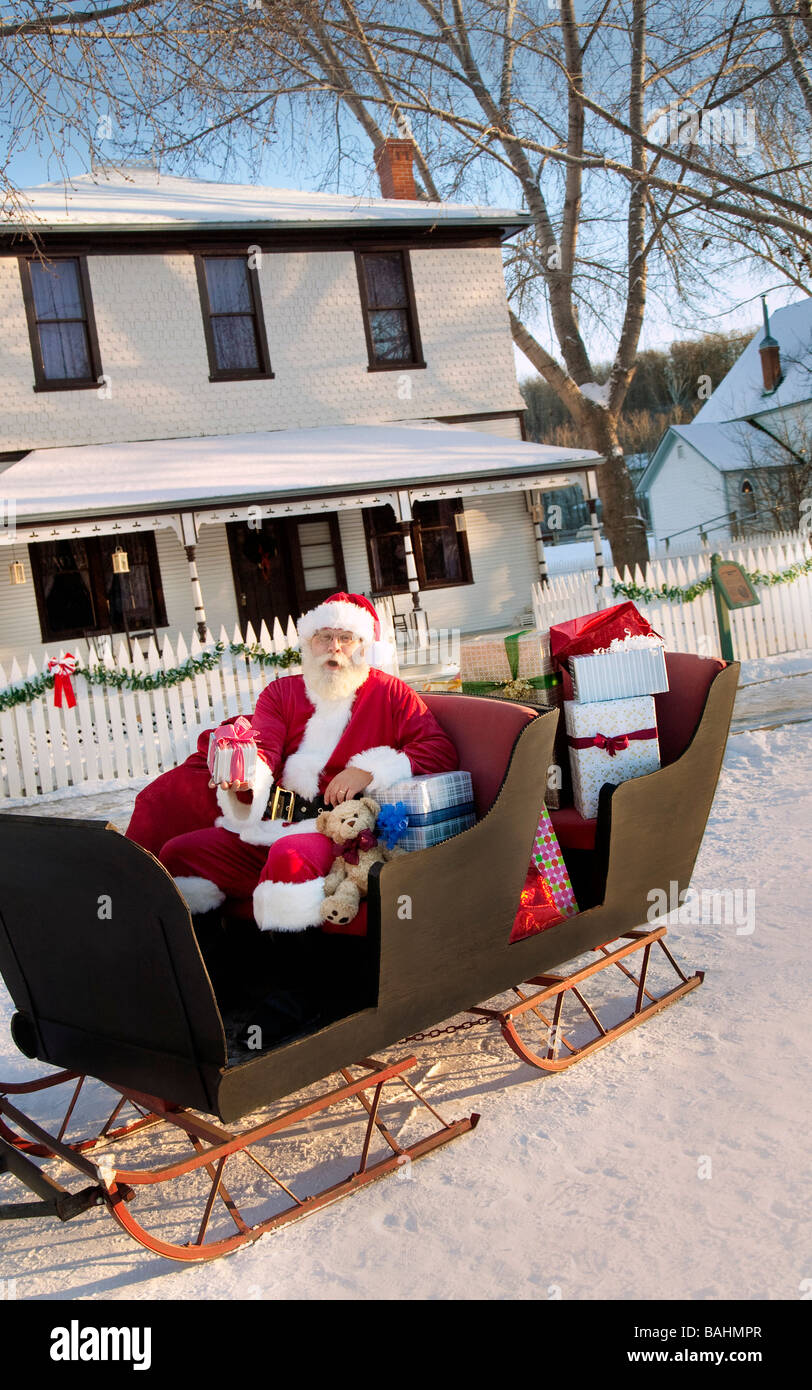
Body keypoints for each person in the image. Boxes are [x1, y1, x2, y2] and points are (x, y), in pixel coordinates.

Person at [143, 592, 458, 933]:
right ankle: (213, 970)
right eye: (324, 637)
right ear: (310, 644)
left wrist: (369, 770)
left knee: (289, 857)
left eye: (345, 638)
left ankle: (296, 974)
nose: (334, 647)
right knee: (180, 852)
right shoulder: (281, 693)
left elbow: (438, 749)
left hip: (340, 835)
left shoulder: (390, 693)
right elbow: (264, 747)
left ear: (363, 646)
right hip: (276, 823)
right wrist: (248, 776)